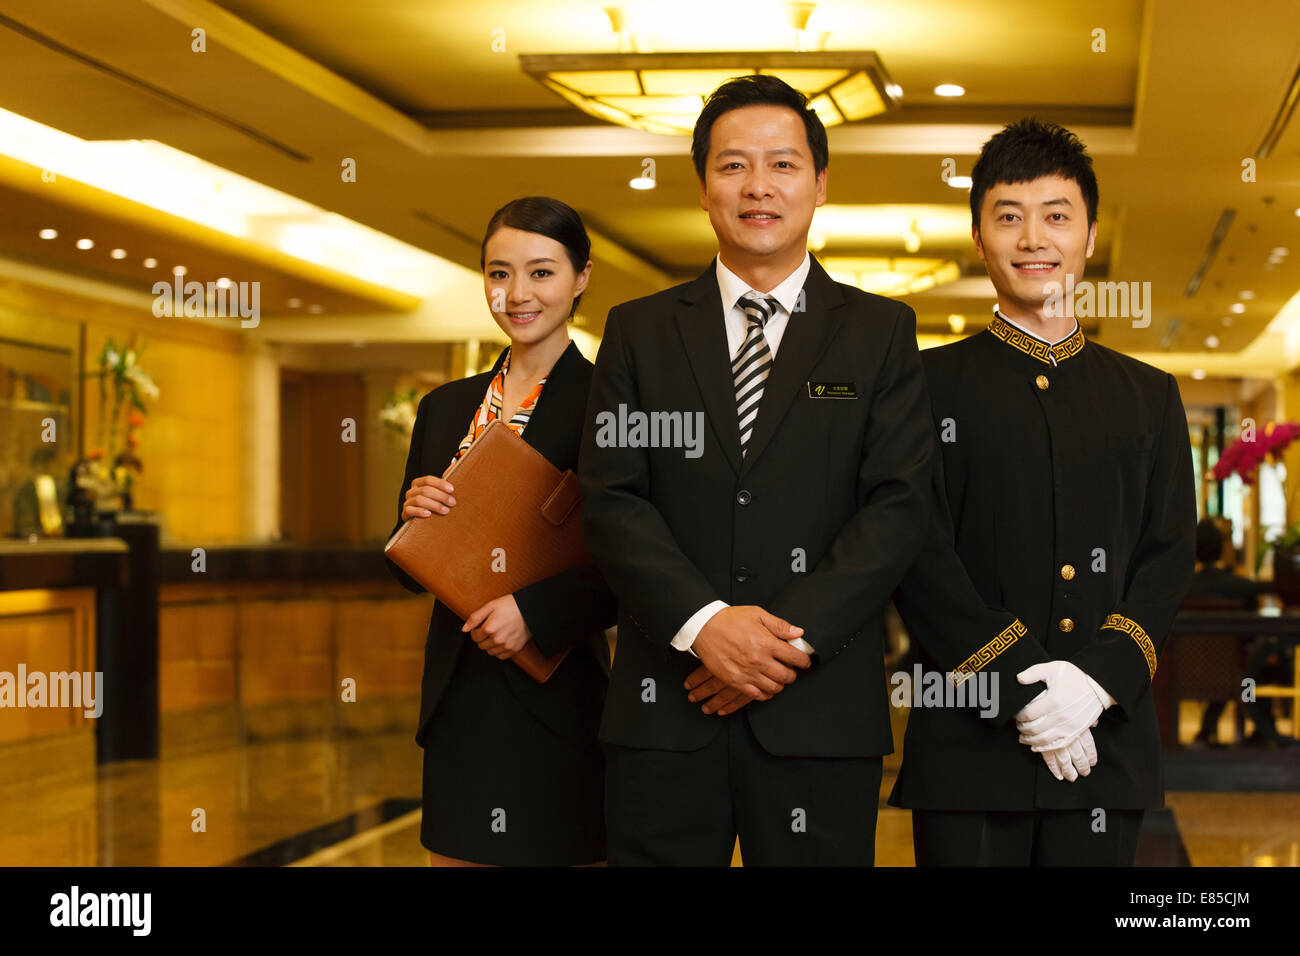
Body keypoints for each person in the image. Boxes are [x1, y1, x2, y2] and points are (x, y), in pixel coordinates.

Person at [578, 74, 936, 866]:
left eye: (783, 164)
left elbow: (899, 504)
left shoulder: (880, 332)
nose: (758, 186)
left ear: (819, 183)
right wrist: (706, 626)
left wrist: (777, 645)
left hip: (819, 711)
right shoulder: (638, 332)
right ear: (704, 186)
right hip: (665, 710)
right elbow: (611, 497)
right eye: (734, 165)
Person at [889, 118, 1197, 866]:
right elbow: (915, 552)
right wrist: (1018, 685)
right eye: (1008, 217)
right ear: (977, 235)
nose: (1033, 239)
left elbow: (1166, 557)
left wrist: (1093, 686)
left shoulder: (1148, 396)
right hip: (968, 748)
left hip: (1106, 744)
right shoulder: (923, 386)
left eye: (1056, 216)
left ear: (1090, 236)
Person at [386, 197, 617, 866]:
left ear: (581, 278)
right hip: (461, 697)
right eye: (499, 273)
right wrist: (413, 519)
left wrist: (534, 615)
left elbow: (632, 558)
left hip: (557, 692)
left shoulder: (611, 402)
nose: (517, 294)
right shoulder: (445, 406)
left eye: (541, 273)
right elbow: (404, 568)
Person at [1185, 518, 1295, 747]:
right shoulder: (1240, 586)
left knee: (1228, 664)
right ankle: (1265, 729)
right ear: (1223, 548)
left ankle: (1207, 730)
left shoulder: (1183, 589)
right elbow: (1254, 629)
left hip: (1187, 670)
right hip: (1237, 672)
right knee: (1253, 663)